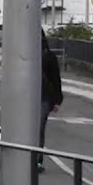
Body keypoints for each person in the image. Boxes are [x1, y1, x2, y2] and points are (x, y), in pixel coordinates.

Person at [37, 28, 64, 171]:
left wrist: (57, 100)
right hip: (26, 98)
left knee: (38, 129)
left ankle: (37, 159)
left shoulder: (48, 56)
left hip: (44, 97)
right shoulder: (22, 54)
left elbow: (55, 79)